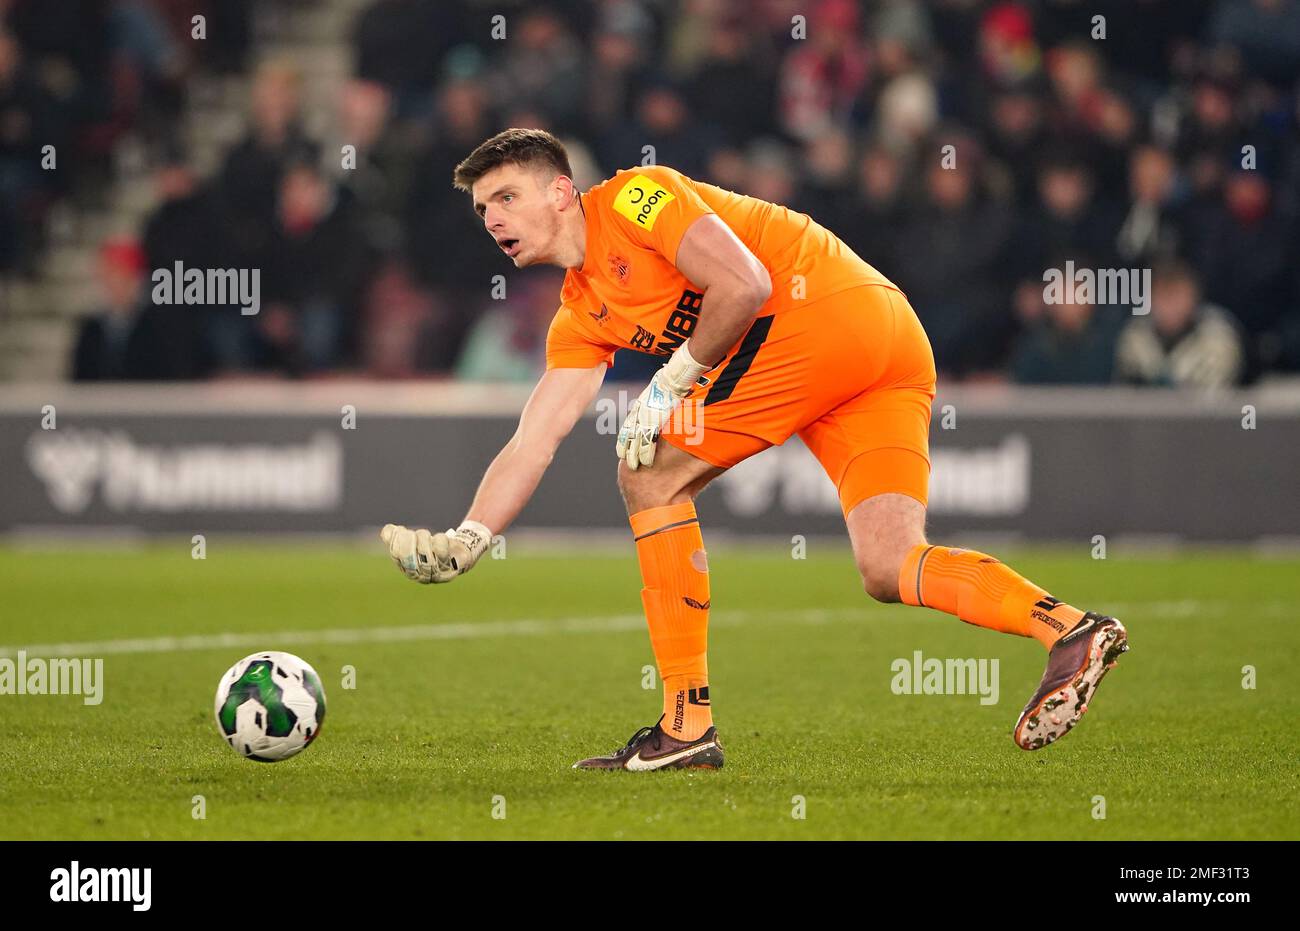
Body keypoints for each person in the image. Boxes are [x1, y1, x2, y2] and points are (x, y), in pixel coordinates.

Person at [380, 128, 1129, 769]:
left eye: (507, 197)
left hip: (821, 315)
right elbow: (533, 439)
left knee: (650, 478)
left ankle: (685, 724)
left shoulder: (639, 197)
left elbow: (743, 284)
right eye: (483, 210)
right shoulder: (578, 317)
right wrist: (471, 536)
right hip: (886, 347)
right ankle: (1069, 629)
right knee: (889, 563)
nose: (493, 219)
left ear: (562, 192)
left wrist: (671, 383)